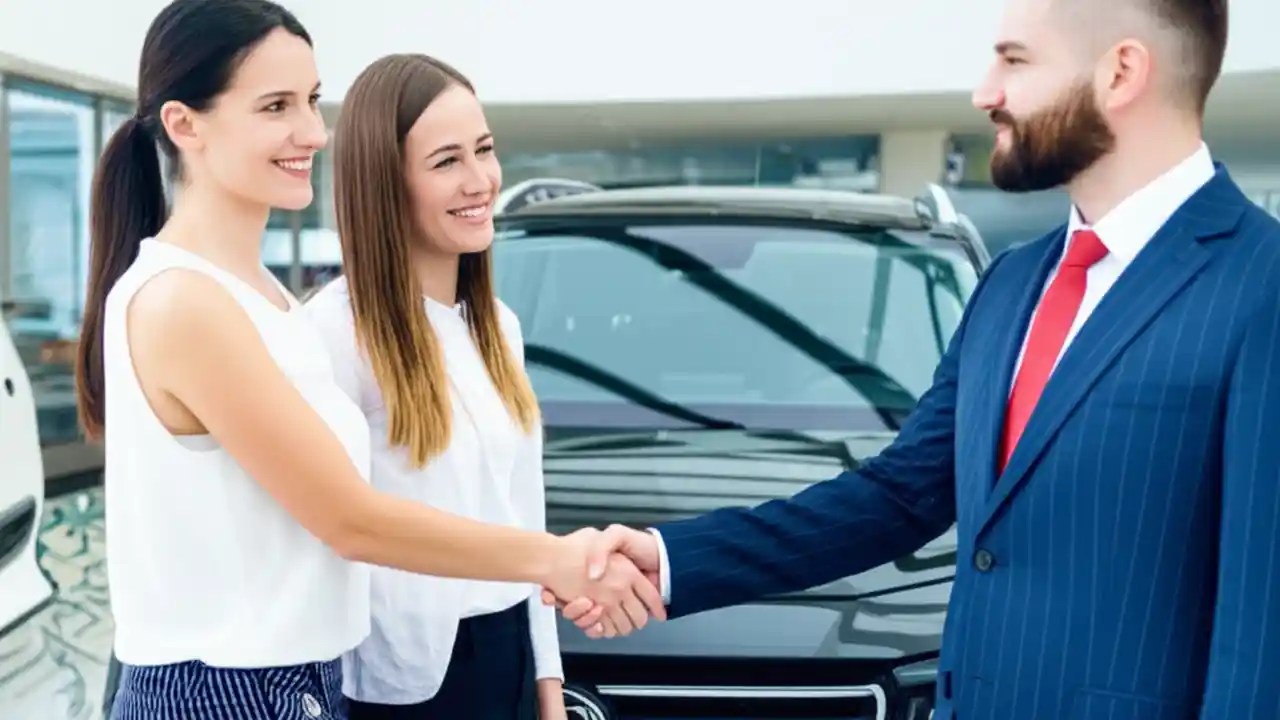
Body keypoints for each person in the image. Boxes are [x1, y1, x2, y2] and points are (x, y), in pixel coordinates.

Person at [554, 0, 1280, 717]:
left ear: (1121, 72)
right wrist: (673, 558)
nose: (985, 92)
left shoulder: (1262, 286)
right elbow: (898, 496)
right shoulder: (1013, 284)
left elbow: (1263, 631)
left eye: (1015, 59)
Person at [77, 1, 656, 717]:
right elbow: (349, 519)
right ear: (183, 124)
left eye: (313, 101)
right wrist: (560, 560)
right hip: (224, 691)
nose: (313, 133)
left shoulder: (265, 300)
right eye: (275, 106)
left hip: (300, 684)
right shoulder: (183, 303)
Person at [304, 54, 655, 720]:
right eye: (446, 162)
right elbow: (328, 532)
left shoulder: (499, 326)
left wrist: (548, 683)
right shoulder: (331, 332)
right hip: (402, 684)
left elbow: (524, 514)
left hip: (509, 658)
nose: (480, 181)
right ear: (387, 183)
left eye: (485, 151)